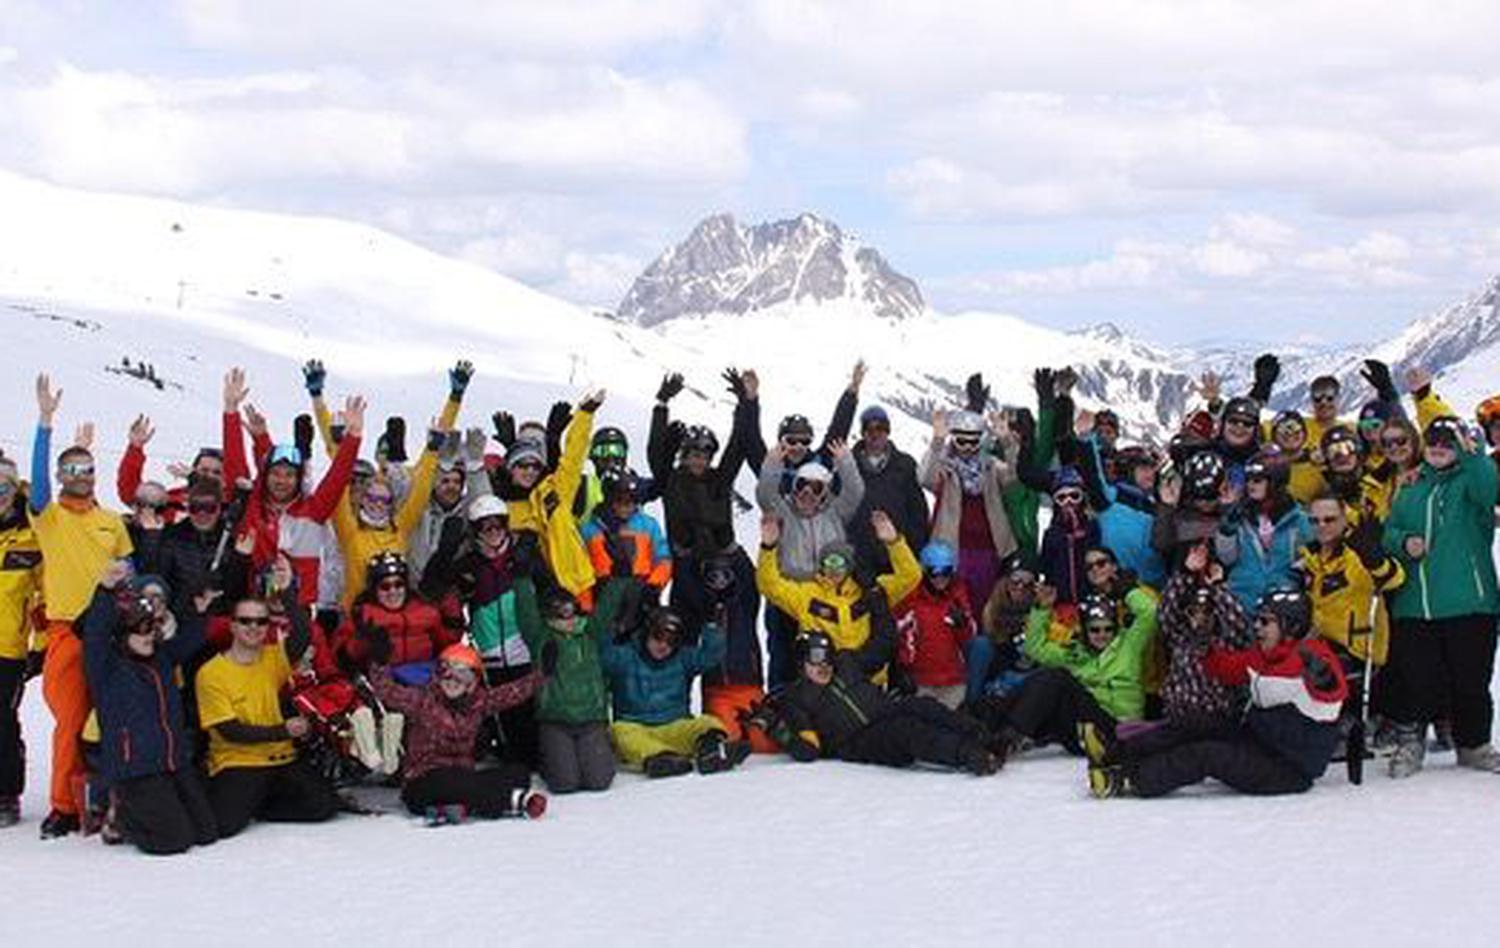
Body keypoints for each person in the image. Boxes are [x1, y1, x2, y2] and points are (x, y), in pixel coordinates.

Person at [1084, 587, 1349, 799]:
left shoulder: (1314, 657)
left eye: (1266, 622)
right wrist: (1206, 648)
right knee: (1197, 722)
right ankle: (1116, 752)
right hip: (1257, 740)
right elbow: (1227, 668)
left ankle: (1130, 780)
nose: (1257, 627)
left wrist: (1324, 682)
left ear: (1290, 625)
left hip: (1289, 768)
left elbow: (1331, 699)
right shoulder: (1264, 655)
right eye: (1257, 620)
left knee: (1207, 754)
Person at [28, 374, 135, 838]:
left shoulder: (111, 522)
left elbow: (128, 569)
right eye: (70, 470)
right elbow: (34, 489)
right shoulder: (48, 519)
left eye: (86, 469)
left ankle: (106, 797)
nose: (80, 476)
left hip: (110, 631)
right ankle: (63, 806)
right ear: (60, 477)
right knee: (70, 720)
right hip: (68, 631)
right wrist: (46, 423)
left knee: (111, 715)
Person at [1380, 416, 1500, 777]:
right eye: (1433, 441)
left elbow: (1488, 490)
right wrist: (1403, 542)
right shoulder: (1412, 487)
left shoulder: (1471, 482)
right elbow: (1390, 531)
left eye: (1447, 442)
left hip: (1470, 601)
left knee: (1471, 679)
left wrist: (1474, 455)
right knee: (1418, 678)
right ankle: (1411, 744)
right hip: (1417, 604)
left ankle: (1474, 744)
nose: (1438, 448)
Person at [80, 570, 218, 855]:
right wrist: (105, 591)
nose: (147, 636)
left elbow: (190, 641)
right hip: (136, 770)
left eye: (152, 629)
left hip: (172, 762)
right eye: (139, 630)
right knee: (173, 841)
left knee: (206, 833)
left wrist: (199, 613)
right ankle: (121, 815)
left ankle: (153, 808)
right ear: (123, 633)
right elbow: (94, 632)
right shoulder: (106, 666)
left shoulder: (161, 659)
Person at [195, 588, 341, 837]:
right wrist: (283, 730)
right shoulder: (211, 673)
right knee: (223, 826)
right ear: (232, 626)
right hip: (239, 760)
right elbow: (230, 731)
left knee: (323, 806)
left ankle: (258, 806)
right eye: (245, 621)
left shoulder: (272, 658)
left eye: (261, 621)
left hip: (280, 758)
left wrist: (285, 592)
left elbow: (304, 633)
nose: (254, 627)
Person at [755, 630, 1002, 775]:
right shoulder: (796, 699)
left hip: (882, 710)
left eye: (828, 657)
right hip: (857, 739)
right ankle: (971, 756)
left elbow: (882, 646)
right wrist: (777, 728)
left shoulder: (845, 663)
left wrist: (876, 599)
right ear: (801, 662)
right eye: (816, 659)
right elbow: (808, 749)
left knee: (922, 705)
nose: (825, 665)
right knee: (907, 730)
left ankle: (984, 737)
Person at [419, 495, 541, 768]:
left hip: (524, 649)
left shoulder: (522, 557)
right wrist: (445, 551)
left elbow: (549, 592)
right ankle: (508, 755)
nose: (494, 533)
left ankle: (534, 759)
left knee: (529, 714)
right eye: (486, 528)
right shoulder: (470, 564)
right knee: (504, 713)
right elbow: (431, 588)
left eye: (498, 526)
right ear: (476, 532)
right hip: (491, 653)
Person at [369, 643, 547, 823]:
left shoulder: (478, 703)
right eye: (446, 673)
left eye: (463, 675)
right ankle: (513, 801)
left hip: (462, 776)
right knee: (455, 782)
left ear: (473, 682)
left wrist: (542, 674)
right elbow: (387, 691)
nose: (452, 681)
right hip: (423, 782)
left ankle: (458, 806)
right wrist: (379, 662)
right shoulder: (422, 701)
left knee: (518, 773)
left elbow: (512, 693)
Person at [969, 587, 1156, 755]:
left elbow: (1149, 613)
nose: (1102, 635)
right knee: (1039, 680)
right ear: (1084, 630)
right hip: (1080, 731)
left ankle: (1008, 738)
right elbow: (1034, 648)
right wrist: (1042, 609)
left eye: (1108, 629)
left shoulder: (1129, 646)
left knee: (1057, 678)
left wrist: (1128, 590)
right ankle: (977, 726)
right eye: (1095, 630)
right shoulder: (1075, 653)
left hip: (1114, 729)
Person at [756, 510, 921, 678]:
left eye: (839, 563)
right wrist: (768, 548)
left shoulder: (872, 591)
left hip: (868, 681)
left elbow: (911, 576)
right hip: (826, 681)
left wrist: (894, 543)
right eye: (828, 563)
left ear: (849, 566)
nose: (833, 570)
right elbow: (769, 585)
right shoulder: (807, 595)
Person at [1300, 496, 1404, 754]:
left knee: (1312, 667)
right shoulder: (1312, 556)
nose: (1322, 525)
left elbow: (1394, 577)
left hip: (1356, 646)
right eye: (1315, 521)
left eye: (1329, 519)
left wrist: (1374, 560)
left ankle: (1348, 724)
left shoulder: (1356, 553)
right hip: (1320, 641)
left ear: (1344, 519)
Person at [757, 439, 865, 686]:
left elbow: (855, 492)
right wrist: (773, 464)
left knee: (821, 656)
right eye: (802, 485)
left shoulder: (835, 512)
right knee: (782, 654)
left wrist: (846, 462)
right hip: (788, 593)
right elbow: (765, 496)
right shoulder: (784, 511)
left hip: (823, 595)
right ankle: (779, 703)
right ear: (794, 487)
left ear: (825, 492)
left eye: (816, 488)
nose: (808, 493)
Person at [239, 394, 365, 607]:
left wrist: (352, 438)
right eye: (276, 474)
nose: (282, 481)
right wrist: (260, 439)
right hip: (258, 615)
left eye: (289, 475)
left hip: (299, 614)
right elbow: (254, 470)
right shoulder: (255, 507)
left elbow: (338, 476)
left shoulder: (314, 511)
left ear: (298, 479)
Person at [601, 605, 749, 777]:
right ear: (646, 633)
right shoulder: (625, 656)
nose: (663, 645)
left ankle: (712, 751)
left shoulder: (682, 658)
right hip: (637, 727)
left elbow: (709, 657)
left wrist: (713, 627)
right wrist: (612, 629)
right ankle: (660, 759)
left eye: (671, 641)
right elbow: (602, 656)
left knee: (707, 722)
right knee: (619, 732)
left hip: (675, 726)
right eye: (658, 637)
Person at [516, 576, 627, 793]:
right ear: (548, 616)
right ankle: (551, 759)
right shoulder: (540, 637)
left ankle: (598, 753)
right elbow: (525, 612)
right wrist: (521, 579)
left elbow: (606, 608)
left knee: (599, 782)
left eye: (571, 611)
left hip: (591, 719)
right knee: (564, 784)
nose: (568, 620)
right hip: (555, 720)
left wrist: (619, 579)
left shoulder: (590, 633)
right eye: (560, 614)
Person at [502, 389, 606, 605]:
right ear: (511, 468)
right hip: (534, 594)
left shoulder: (554, 490)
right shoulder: (503, 506)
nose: (530, 471)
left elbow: (573, 457)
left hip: (576, 586)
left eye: (535, 465)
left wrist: (584, 415)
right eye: (523, 465)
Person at [921, 407, 1018, 609]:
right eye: (960, 440)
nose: (966, 447)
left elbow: (1013, 477)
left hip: (988, 548)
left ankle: (981, 639)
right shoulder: (945, 466)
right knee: (955, 604)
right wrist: (937, 441)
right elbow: (926, 478)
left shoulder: (991, 465)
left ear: (980, 441)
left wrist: (1007, 441)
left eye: (972, 441)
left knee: (984, 604)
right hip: (953, 549)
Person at [335, 552, 458, 685]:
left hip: (425, 676)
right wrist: (362, 644)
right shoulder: (362, 614)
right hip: (385, 682)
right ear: (374, 590)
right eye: (385, 586)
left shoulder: (426, 611)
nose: (393, 592)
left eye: (398, 584)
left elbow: (446, 645)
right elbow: (339, 656)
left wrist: (452, 616)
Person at [0, 457, 43, 828]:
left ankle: (6, 794)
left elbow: (47, 594)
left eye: (3, 488)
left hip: (8, 649)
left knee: (3, 720)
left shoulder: (30, 537)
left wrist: (40, 644)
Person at [1215, 450, 1310, 611]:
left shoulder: (1298, 518)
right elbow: (1227, 559)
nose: (1250, 485)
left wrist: (1295, 578)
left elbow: (1309, 558)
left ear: (1276, 482)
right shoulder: (1240, 514)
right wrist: (1226, 528)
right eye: (1248, 480)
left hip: (1280, 606)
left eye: (1257, 480)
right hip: (1241, 601)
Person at [893, 541, 980, 710]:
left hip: (953, 681)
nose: (940, 578)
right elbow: (901, 636)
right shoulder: (911, 600)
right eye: (934, 572)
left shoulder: (957, 595)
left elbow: (969, 637)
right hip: (923, 682)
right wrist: (903, 668)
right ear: (924, 571)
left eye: (946, 572)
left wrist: (962, 625)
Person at [847, 405, 930, 576]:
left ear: (888, 431)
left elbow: (918, 512)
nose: (875, 434)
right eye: (869, 429)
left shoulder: (905, 464)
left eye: (881, 428)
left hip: (897, 553)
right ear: (863, 432)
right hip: (858, 556)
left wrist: (917, 549)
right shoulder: (848, 464)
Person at [408, 428, 494, 585]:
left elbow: (484, 504)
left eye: (456, 482)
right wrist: (442, 465)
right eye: (445, 481)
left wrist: (475, 466)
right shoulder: (420, 510)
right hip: (413, 586)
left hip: (448, 588)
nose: (451, 487)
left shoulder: (464, 514)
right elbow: (415, 487)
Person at [581, 469, 672, 593]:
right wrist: (585, 606)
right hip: (602, 599)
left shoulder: (649, 526)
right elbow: (579, 571)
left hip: (640, 595)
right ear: (609, 501)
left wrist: (653, 587)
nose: (626, 506)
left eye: (632, 500)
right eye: (620, 500)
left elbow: (663, 560)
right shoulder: (589, 529)